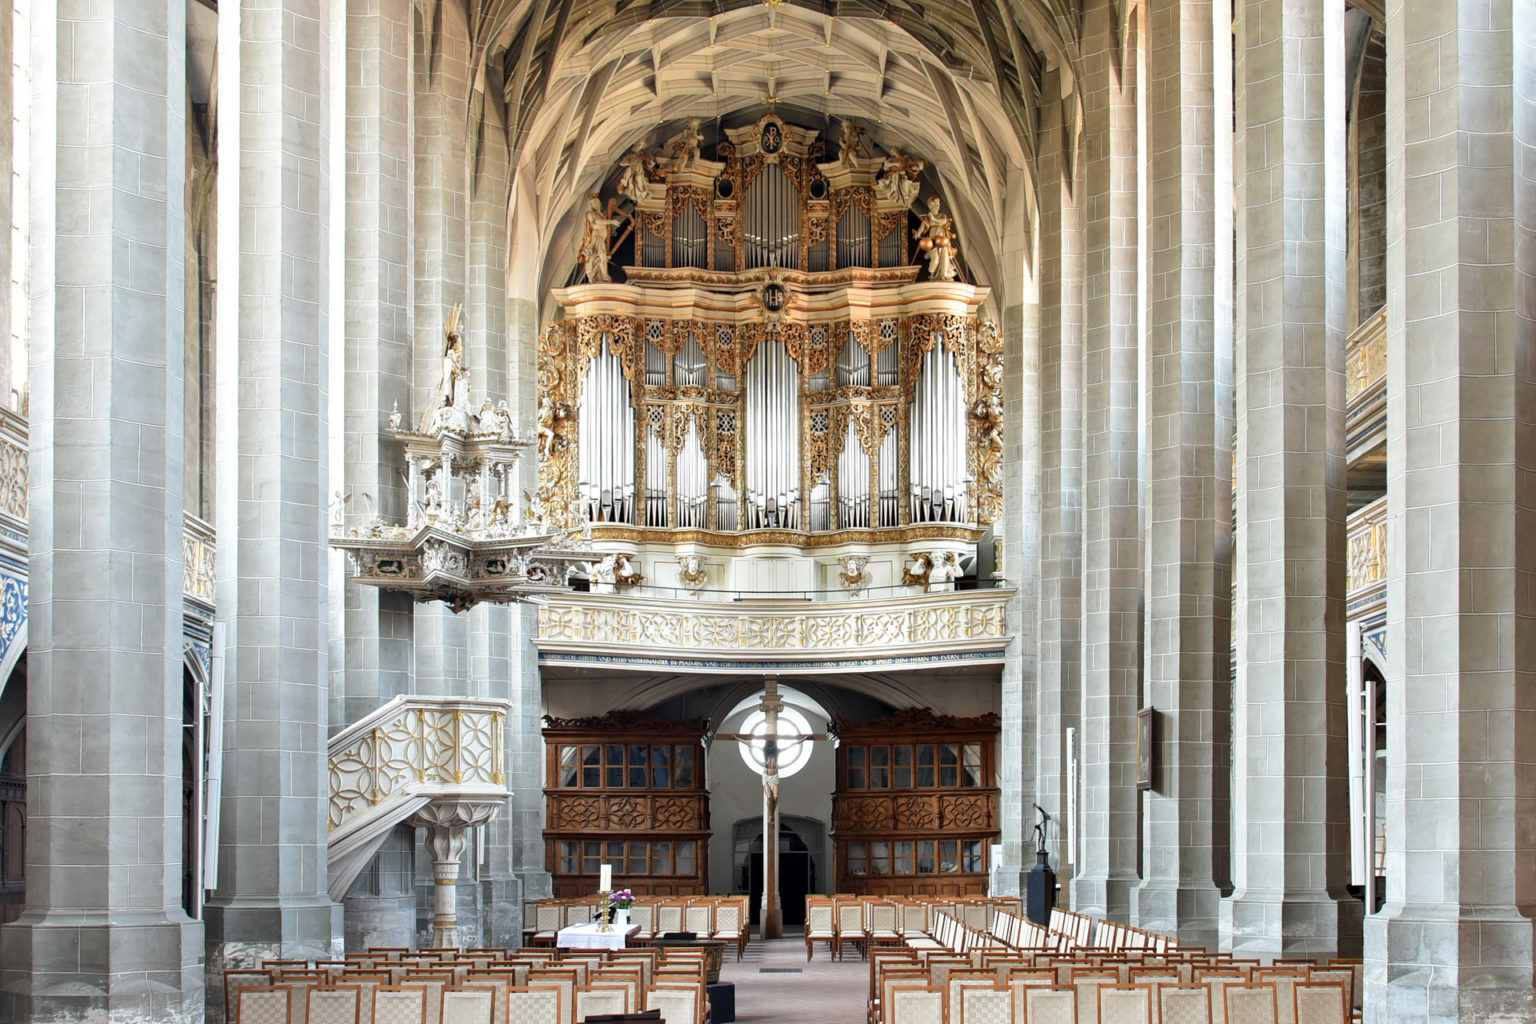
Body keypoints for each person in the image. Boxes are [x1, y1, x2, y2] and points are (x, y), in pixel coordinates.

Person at [912, 196, 959, 281]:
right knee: (935, 258)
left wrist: (933, 218)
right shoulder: (928, 218)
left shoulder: (942, 216)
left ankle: (944, 274)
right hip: (932, 240)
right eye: (934, 205)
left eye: (938, 205)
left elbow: (943, 221)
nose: (937, 207)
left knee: (944, 256)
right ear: (930, 206)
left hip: (942, 238)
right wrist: (918, 234)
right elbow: (923, 226)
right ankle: (934, 273)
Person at [579, 194, 621, 283]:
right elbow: (597, 223)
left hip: (601, 239)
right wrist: (611, 221)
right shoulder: (590, 214)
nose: (596, 204)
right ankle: (603, 276)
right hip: (596, 239)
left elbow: (601, 224)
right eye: (594, 203)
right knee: (601, 256)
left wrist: (606, 223)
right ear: (591, 205)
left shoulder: (602, 214)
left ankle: (604, 276)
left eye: (597, 202)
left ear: (600, 204)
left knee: (602, 257)